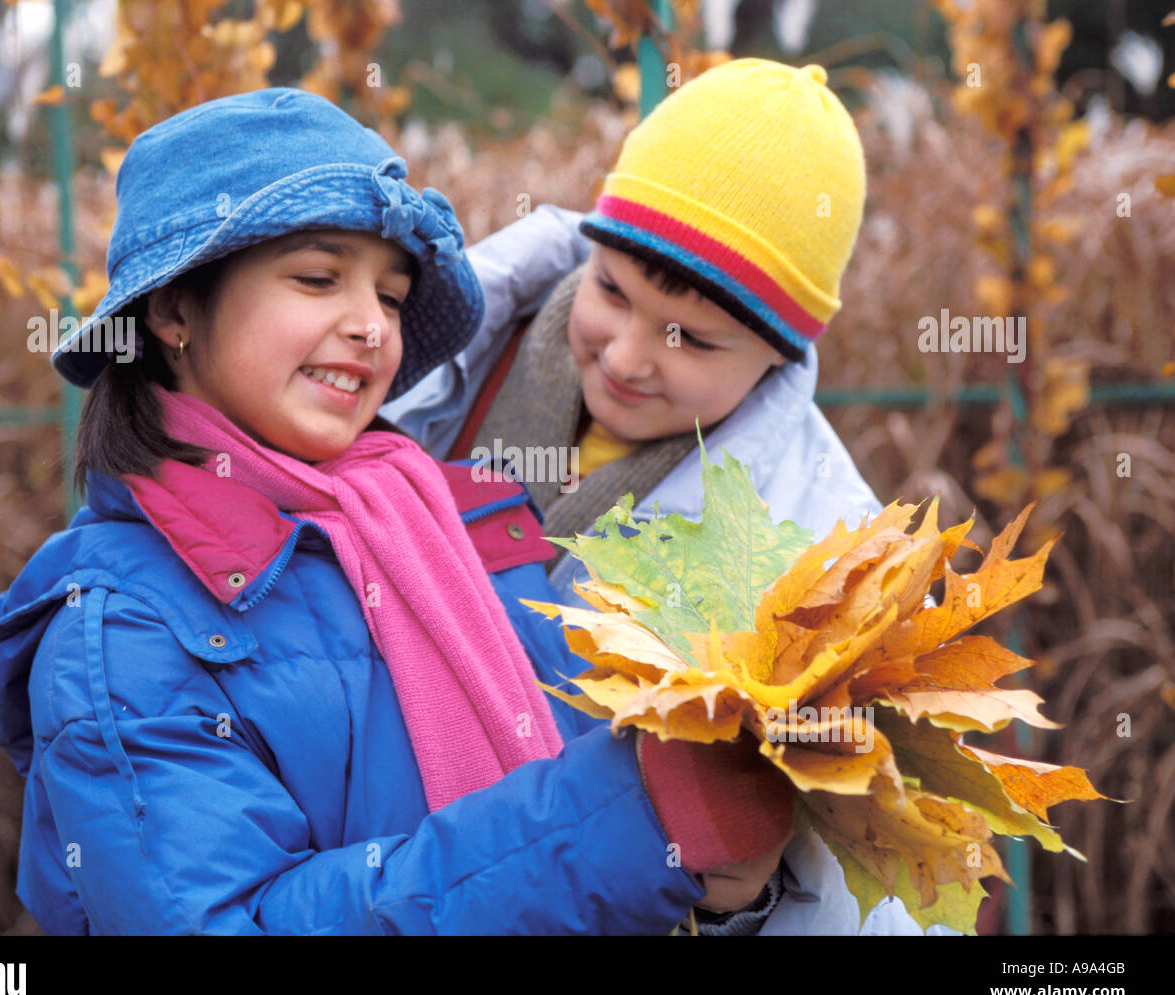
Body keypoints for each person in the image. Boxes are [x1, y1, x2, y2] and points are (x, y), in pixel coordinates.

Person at [0, 87, 800, 935]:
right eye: (318, 278)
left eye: (392, 298)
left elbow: (606, 795)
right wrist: (630, 824)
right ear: (176, 310)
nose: (370, 325)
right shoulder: (120, 638)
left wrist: (722, 882)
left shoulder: (456, 525)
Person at [382, 59, 958, 935]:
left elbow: (870, 905)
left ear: (779, 354)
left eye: (689, 338)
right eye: (611, 289)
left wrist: (743, 904)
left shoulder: (822, 552)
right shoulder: (416, 348)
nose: (624, 356)